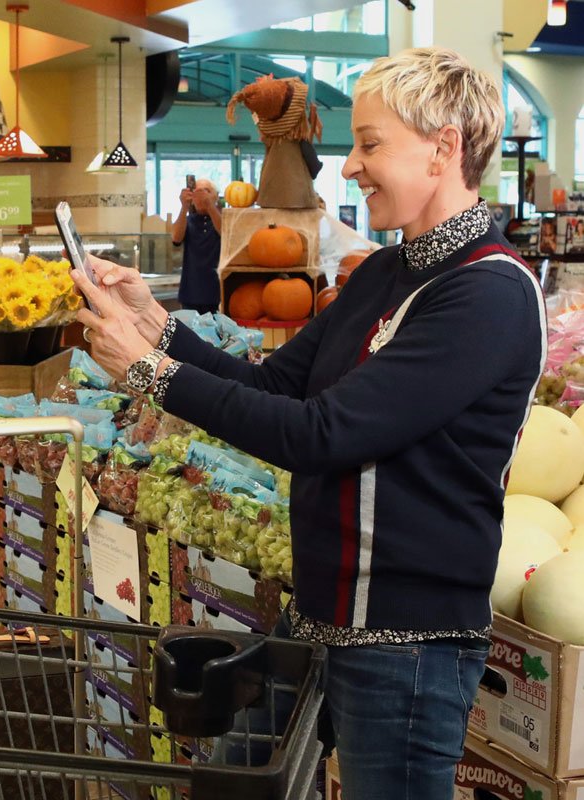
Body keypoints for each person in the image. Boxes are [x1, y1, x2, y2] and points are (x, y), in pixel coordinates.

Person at [71, 48, 542, 799]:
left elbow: (320, 433)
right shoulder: (387, 273)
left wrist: (149, 374)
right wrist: (154, 324)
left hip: (405, 644)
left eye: (370, 143)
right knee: (233, 786)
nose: (348, 166)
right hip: (318, 615)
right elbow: (276, 385)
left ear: (445, 146)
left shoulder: (489, 294)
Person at [171, 177, 223, 314]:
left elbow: (225, 234)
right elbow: (176, 238)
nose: (202, 195)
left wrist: (210, 206)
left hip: (218, 291)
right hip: (191, 290)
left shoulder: (223, 219)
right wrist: (184, 207)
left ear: (216, 196)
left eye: (207, 191)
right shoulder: (187, 220)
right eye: (197, 192)